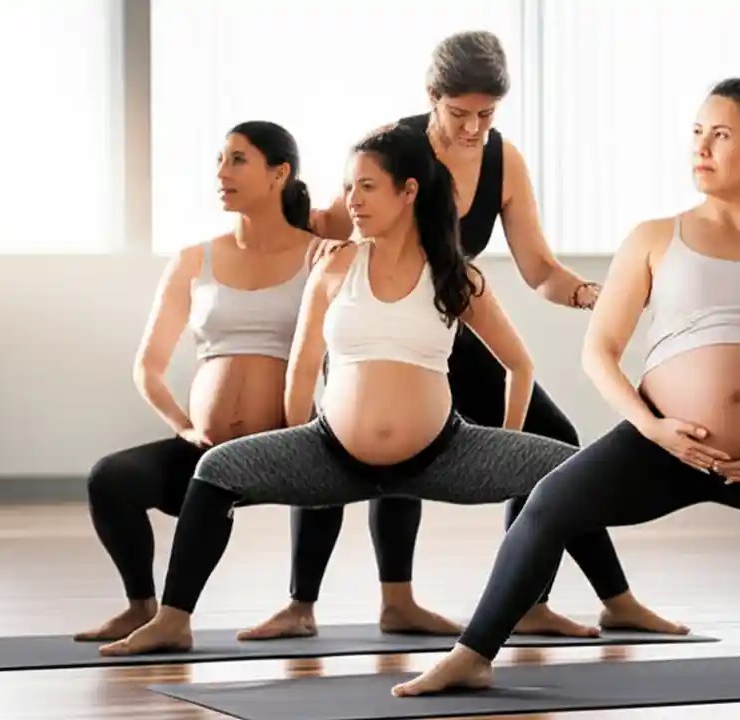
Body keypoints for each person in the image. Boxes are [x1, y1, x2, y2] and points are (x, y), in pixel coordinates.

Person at [392, 78, 740, 697]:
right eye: (695, 133)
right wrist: (655, 428)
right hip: (661, 451)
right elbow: (599, 353)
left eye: (720, 135)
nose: (701, 148)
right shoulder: (655, 236)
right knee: (547, 503)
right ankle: (473, 653)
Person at [97, 122, 670, 657]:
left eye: (367, 187)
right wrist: (298, 442)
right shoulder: (333, 267)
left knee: (566, 471)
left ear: (408, 192)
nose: (352, 201)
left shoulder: (455, 275)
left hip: (443, 455)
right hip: (334, 454)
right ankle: (171, 619)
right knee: (215, 470)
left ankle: (573, 606)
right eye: (349, 188)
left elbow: (518, 365)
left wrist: (504, 439)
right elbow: (301, 372)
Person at [242, 29, 679, 642]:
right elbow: (337, 223)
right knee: (347, 443)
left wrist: (591, 295)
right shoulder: (394, 148)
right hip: (374, 326)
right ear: (432, 96)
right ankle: (308, 604)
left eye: (487, 114)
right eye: (460, 114)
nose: (474, 128)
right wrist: (279, 207)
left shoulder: (503, 160)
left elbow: (540, 270)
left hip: (441, 325)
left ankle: (560, 597)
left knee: (554, 439)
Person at [74, 121, 323, 642]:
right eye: (219, 159)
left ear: (280, 173)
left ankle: (301, 608)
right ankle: (143, 607)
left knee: (332, 463)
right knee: (109, 478)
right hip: (206, 448)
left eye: (237, 160)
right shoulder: (194, 259)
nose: (221, 173)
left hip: (284, 444)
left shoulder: (319, 255)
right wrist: (183, 426)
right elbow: (149, 365)